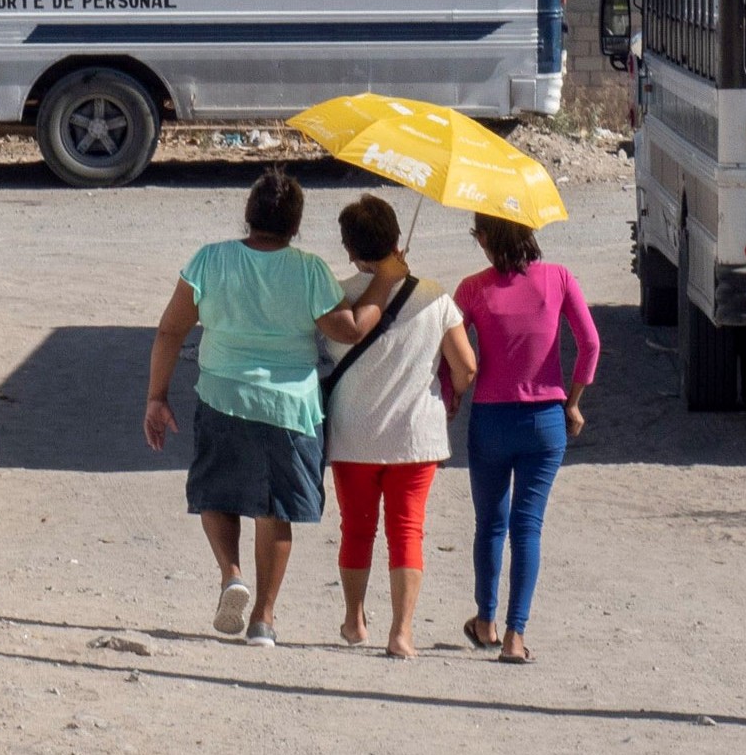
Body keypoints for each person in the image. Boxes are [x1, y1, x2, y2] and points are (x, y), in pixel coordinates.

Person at [144, 170, 394, 646]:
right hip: (289, 406)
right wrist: (383, 280)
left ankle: (231, 574)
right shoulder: (309, 269)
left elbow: (169, 331)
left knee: (215, 493)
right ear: (295, 225)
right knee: (273, 510)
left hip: (223, 396)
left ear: (249, 214)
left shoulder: (210, 261)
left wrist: (156, 397)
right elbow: (350, 329)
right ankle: (263, 617)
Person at [322, 195, 475, 658]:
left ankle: (353, 619)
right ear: (395, 240)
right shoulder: (436, 297)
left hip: (352, 436)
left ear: (350, 250)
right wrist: (451, 398)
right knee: (407, 531)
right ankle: (402, 633)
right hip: (416, 436)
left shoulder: (336, 295)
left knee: (356, 528)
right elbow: (465, 367)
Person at [449, 211, 593, 664]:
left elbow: (449, 348)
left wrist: (451, 397)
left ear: (487, 237)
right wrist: (573, 401)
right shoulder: (559, 278)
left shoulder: (471, 289)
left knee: (490, 523)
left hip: (490, 419)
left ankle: (485, 620)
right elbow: (589, 344)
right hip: (546, 421)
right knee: (527, 526)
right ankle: (515, 637)